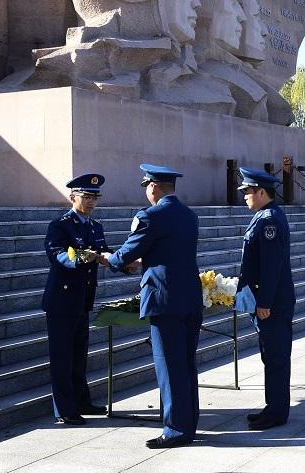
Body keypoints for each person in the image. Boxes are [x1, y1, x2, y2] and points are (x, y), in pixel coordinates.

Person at [102, 164, 201, 448]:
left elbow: (129, 252)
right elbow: (168, 252)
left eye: (146, 185)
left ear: (154, 187)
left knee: (169, 367)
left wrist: (112, 259)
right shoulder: (189, 215)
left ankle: (176, 430)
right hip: (190, 298)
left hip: (164, 299)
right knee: (185, 363)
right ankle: (188, 423)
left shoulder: (150, 216)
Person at [43, 174, 110, 425]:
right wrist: (80, 258)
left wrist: (121, 263)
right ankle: (64, 409)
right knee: (62, 356)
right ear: (73, 197)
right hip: (61, 300)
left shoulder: (95, 226)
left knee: (79, 354)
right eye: (86, 197)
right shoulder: (60, 225)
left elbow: (105, 253)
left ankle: (81, 401)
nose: (91, 202)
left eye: (94, 197)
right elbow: (57, 255)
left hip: (83, 300)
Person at [235, 168, 295, 430]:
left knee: (276, 356)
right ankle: (273, 406)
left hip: (272, 303)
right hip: (268, 299)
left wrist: (264, 302)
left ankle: (277, 412)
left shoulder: (269, 220)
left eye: (248, 192)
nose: (245, 196)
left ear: (262, 192)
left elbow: (271, 266)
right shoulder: (264, 217)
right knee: (270, 356)